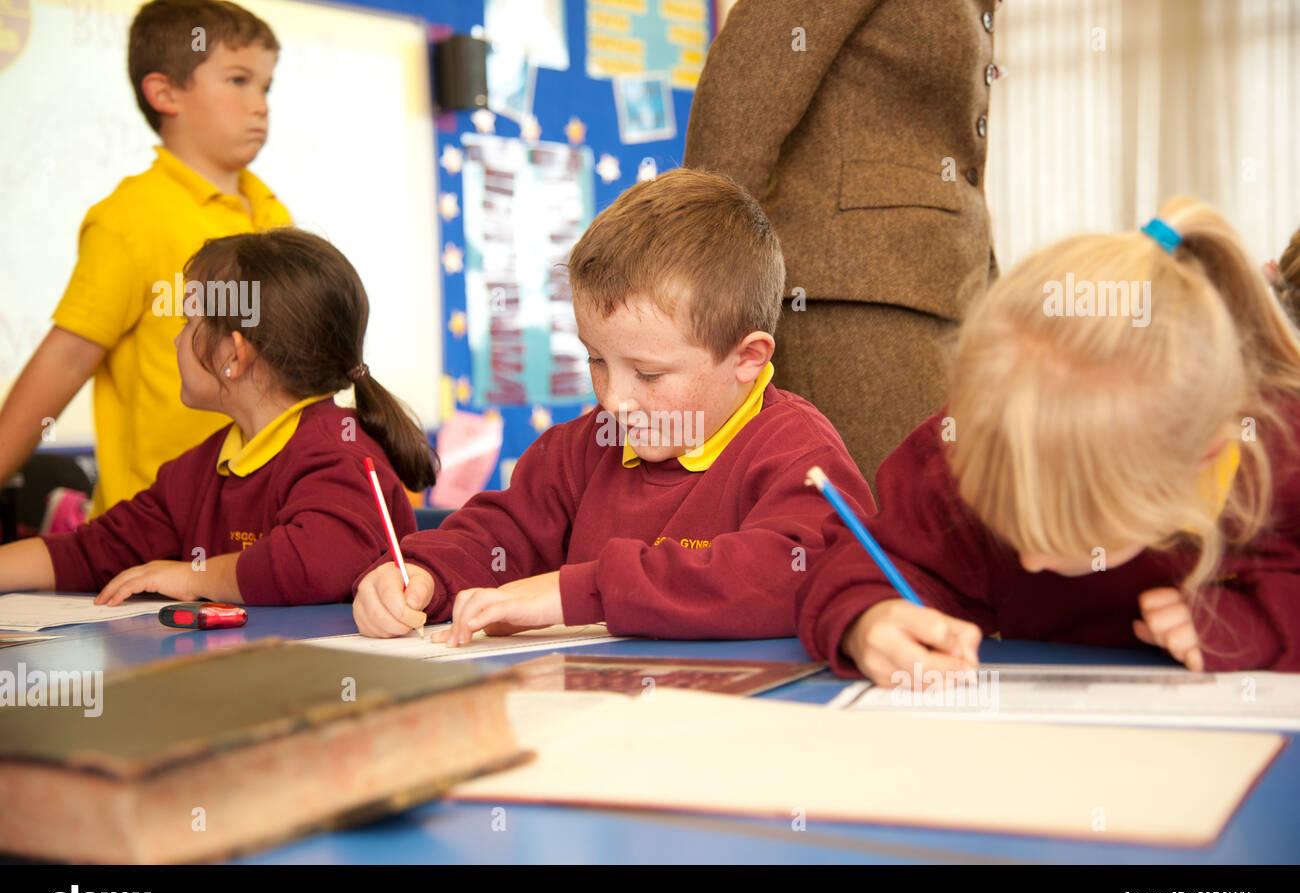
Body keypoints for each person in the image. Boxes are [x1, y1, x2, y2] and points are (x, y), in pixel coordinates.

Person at [352, 169, 875, 643]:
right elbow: (497, 536)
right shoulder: (583, 448)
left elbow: (798, 574)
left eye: (648, 373)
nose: (614, 400)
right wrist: (422, 574)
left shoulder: (796, 452)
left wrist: (578, 591)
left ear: (748, 359)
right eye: (597, 360)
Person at [797, 197, 1300, 683]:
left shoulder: (1280, 452)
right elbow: (873, 560)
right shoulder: (984, 441)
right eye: (1007, 521)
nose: (1031, 561)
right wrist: (868, 620)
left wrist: (1256, 626)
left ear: (1199, 460)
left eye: (1072, 529)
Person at [0, 229, 433, 606]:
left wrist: (194, 577)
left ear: (234, 354)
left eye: (189, 323)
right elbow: (94, 551)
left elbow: (313, 563)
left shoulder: (338, 452)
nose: (176, 340)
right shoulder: (200, 469)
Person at [684, 0, 1000, 482]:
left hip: (944, 292)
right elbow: (739, 106)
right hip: (848, 298)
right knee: (883, 534)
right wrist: (715, 299)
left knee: (943, 526)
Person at [0, 0, 292, 518]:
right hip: (152, 532)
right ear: (165, 92)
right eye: (239, 80)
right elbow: (65, 360)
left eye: (267, 87)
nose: (262, 104)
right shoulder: (132, 216)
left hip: (256, 525)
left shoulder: (274, 215)